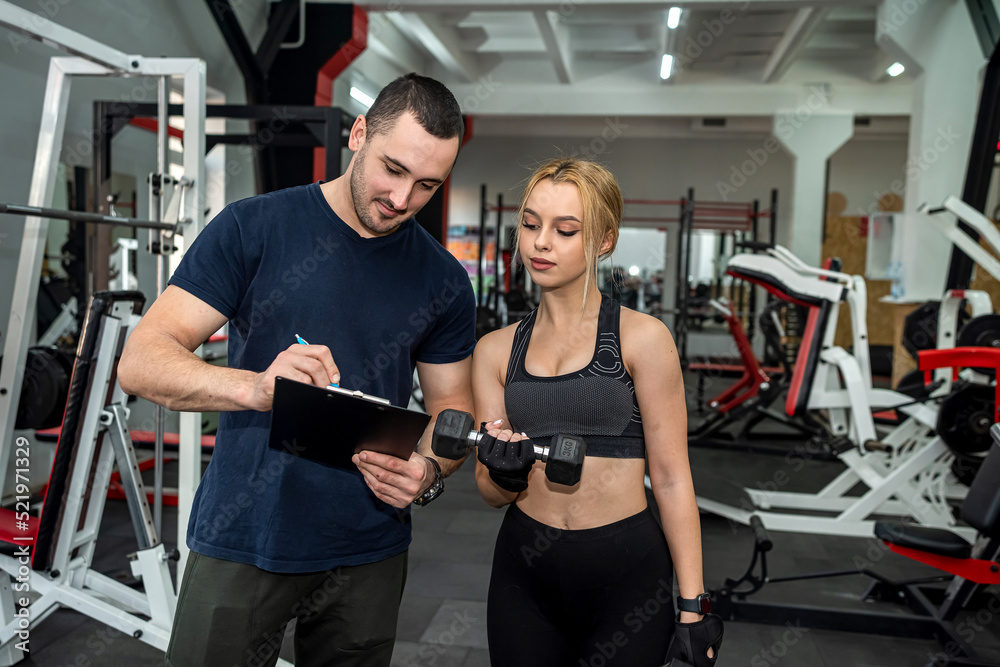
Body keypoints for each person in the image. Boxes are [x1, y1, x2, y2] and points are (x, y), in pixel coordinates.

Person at [118, 73, 477, 667]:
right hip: (246, 531)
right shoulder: (251, 227)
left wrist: (431, 470)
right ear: (359, 133)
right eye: (393, 169)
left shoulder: (441, 279)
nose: (402, 198)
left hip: (369, 543)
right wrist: (255, 387)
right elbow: (142, 360)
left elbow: (453, 412)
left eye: (426, 185)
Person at [471, 158, 723, 666]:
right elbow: (489, 491)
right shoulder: (495, 351)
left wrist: (694, 604)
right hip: (524, 570)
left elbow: (672, 479)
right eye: (531, 224)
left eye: (566, 230)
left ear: (604, 241)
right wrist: (505, 471)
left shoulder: (643, 338)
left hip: (626, 575)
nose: (542, 242)